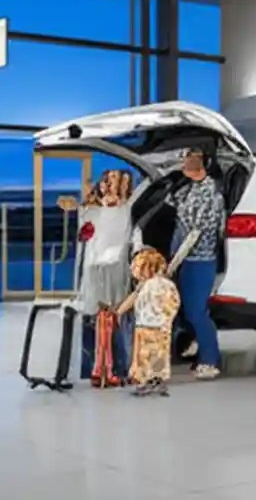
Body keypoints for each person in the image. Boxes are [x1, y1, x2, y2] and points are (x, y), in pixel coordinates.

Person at [65, 169, 140, 386]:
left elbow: (133, 235)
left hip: (116, 268)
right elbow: (84, 235)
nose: (108, 185)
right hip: (93, 267)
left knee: (116, 317)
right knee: (92, 318)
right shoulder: (92, 210)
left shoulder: (128, 210)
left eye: (114, 181)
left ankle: (120, 369)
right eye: (106, 180)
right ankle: (92, 370)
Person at [167, 147, 225, 381]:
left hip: (200, 259)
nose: (184, 164)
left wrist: (174, 261)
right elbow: (174, 205)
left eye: (189, 160)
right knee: (187, 310)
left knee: (197, 312)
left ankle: (211, 360)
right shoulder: (190, 189)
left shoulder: (210, 194)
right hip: (188, 260)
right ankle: (197, 346)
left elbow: (195, 232)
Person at [116, 247, 180, 397]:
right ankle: (159, 380)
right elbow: (174, 302)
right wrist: (168, 317)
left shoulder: (145, 285)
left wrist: (119, 311)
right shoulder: (168, 285)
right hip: (163, 326)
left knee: (142, 355)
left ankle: (143, 382)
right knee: (160, 354)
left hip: (145, 325)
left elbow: (133, 299)